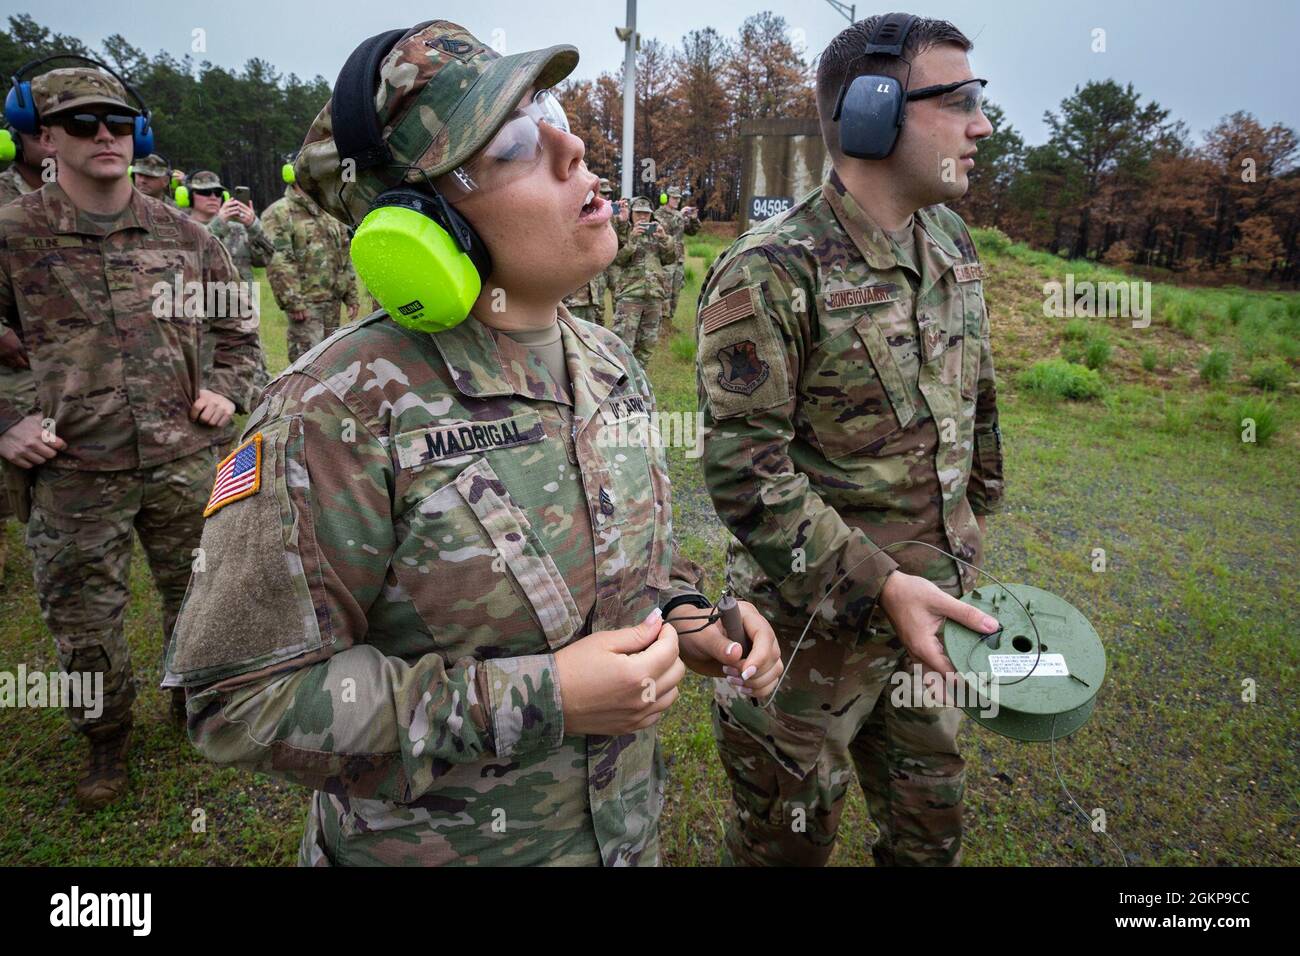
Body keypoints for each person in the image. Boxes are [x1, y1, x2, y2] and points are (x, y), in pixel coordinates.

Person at [165, 19, 782, 867]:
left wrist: (684, 615)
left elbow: (632, 562)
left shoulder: (605, 362)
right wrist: (545, 698)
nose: (574, 151)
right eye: (515, 143)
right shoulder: (332, 409)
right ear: (424, 228)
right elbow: (238, 698)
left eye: (550, 112)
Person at [695, 13, 1005, 866]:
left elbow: (975, 400)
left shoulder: (949, 239)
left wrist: (966, 534)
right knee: (785, 846)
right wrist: (883, 585)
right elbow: (744, 473)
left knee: (928, 833)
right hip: (803, 640)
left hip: (930, 618)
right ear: (872, 112)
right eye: (963, 100)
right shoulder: (772, 270)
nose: (983, 125)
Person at [0, 65, 259, 809]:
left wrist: (226, 391)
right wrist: (7, 421)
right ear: (46, 137)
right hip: (74, 470)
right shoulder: (14, 235)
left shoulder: (186, 236)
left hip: (184, 460)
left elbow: (239, 330)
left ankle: (193, 703)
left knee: (202, 598)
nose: (105, 134)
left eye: (117, 121)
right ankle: (105, 738)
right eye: (82, 122)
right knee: (84, 621)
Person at [186, 170, 274, 392]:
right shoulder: (181, 227)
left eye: (217, 192)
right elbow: (187, 258)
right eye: (205, 192)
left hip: (241, 315)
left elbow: (265, 257)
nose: (213, 197)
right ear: (190, 196)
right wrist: (218, 224)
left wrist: (253, 224)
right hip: (201, 319)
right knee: (204, 382)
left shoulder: (237, 229)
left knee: (256, 377)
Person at [261, 178, 359, 362]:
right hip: (306, 305)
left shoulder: (329, 211)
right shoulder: (279, 212)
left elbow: (344, 254)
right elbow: (278, 259)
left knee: (331, 361)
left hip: (333, 302)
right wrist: (293, 301)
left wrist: (351, 295)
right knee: (306, 363)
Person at [611, 196, 676, 367]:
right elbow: (617, 260)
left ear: (651, 215)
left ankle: (639, 382)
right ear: (631, 213)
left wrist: (664, 239)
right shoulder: (623, 231)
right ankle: (620, 385)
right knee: (622, 345)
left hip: (654, 296)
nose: (642, 217)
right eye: (638, 213)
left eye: (646, 214)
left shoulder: (657, 233)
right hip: (630, 295)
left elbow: (670, 259)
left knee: (647, 345)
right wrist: (632, 240)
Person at [653, 185, 700, 324]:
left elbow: (692, 231)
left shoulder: (678, 215)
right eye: (674, 198)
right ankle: (662, 322)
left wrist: (693, 219)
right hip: (666, 259)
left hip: (679, 259)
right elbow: (666, 229)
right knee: (664, 291)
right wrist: (680, 214)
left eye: (678, 198)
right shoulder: (658, 214)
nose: (677, 201)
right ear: (666, 198)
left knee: (676, 291)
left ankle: (669, 322)